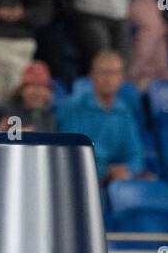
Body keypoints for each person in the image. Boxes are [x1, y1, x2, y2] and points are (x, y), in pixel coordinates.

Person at [57, 49, 149, 184]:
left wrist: (128, 169)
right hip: (79, 178)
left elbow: (136, 155)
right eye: (104, 72)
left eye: (114, 73)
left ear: (121, 79)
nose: (109, 78)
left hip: (114, 180)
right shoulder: (73, 106)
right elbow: (71, 152)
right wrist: (106, 171)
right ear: (92, 75)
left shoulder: (124, 111)